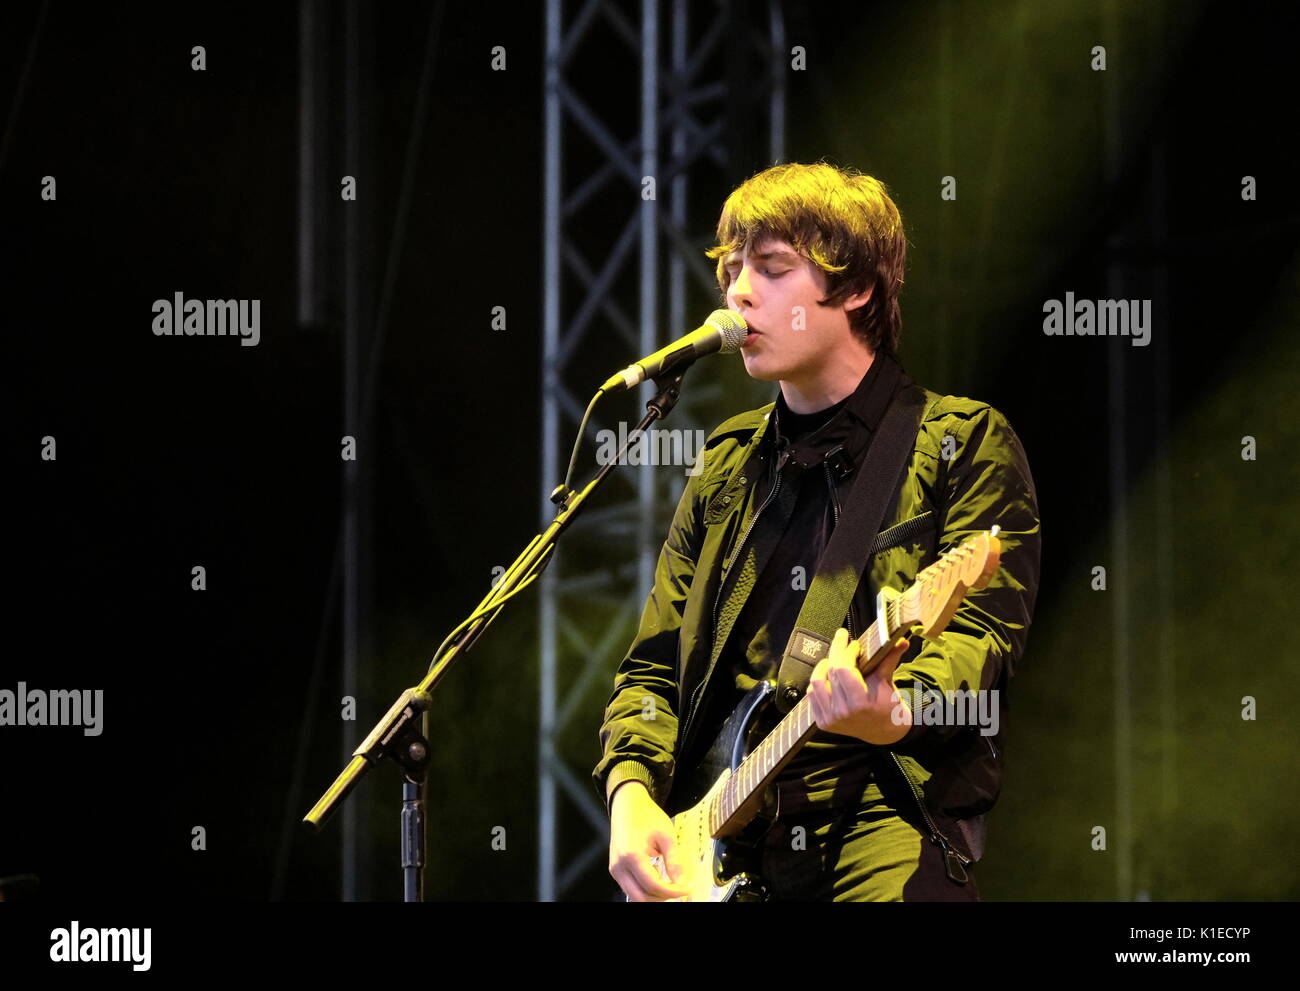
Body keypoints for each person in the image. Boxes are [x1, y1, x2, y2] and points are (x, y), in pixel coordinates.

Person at [593, 162, 1041, 901]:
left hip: (878, 818)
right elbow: (653, 670)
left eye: (770, 268)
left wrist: (892, 708)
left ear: (857, 287)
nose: (736, 291)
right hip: (724, 844)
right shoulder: (724, 465)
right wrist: (631, 793)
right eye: (732, 268)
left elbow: (980, 645)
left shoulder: (961, 440)